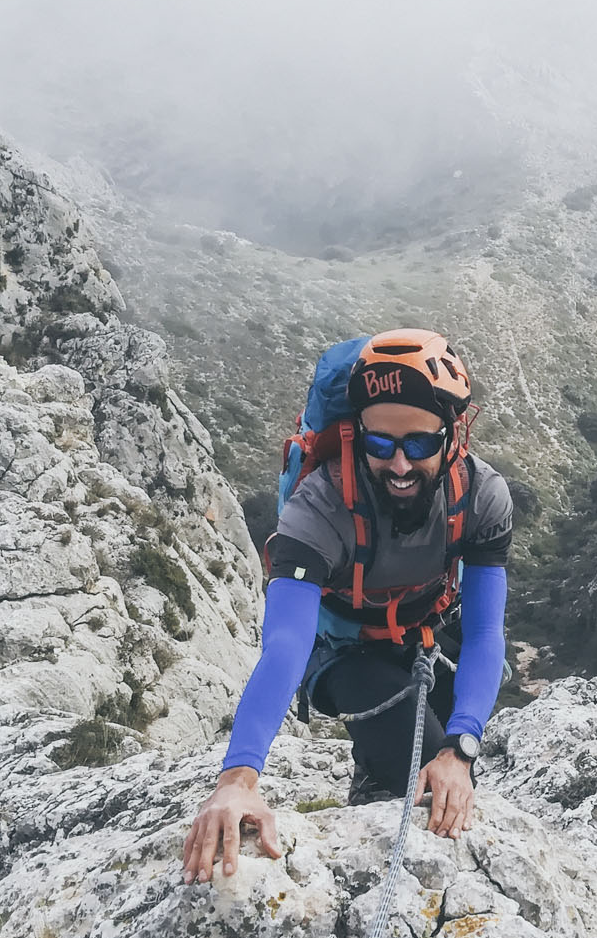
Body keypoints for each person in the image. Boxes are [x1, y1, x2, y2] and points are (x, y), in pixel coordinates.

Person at [181, 330, 514, 884]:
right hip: (343, 651)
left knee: (453, 753)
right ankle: (378, 776)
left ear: (453, 436)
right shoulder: (320, 507)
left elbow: (484, 633)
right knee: (424, 774)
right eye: (380, 445)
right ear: (356, 435)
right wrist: (237, 779)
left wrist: (463, 746)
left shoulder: (482, 496)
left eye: (420, 444)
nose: (401, 465)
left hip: (430, 630)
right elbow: (286, 643)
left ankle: (377, 769)